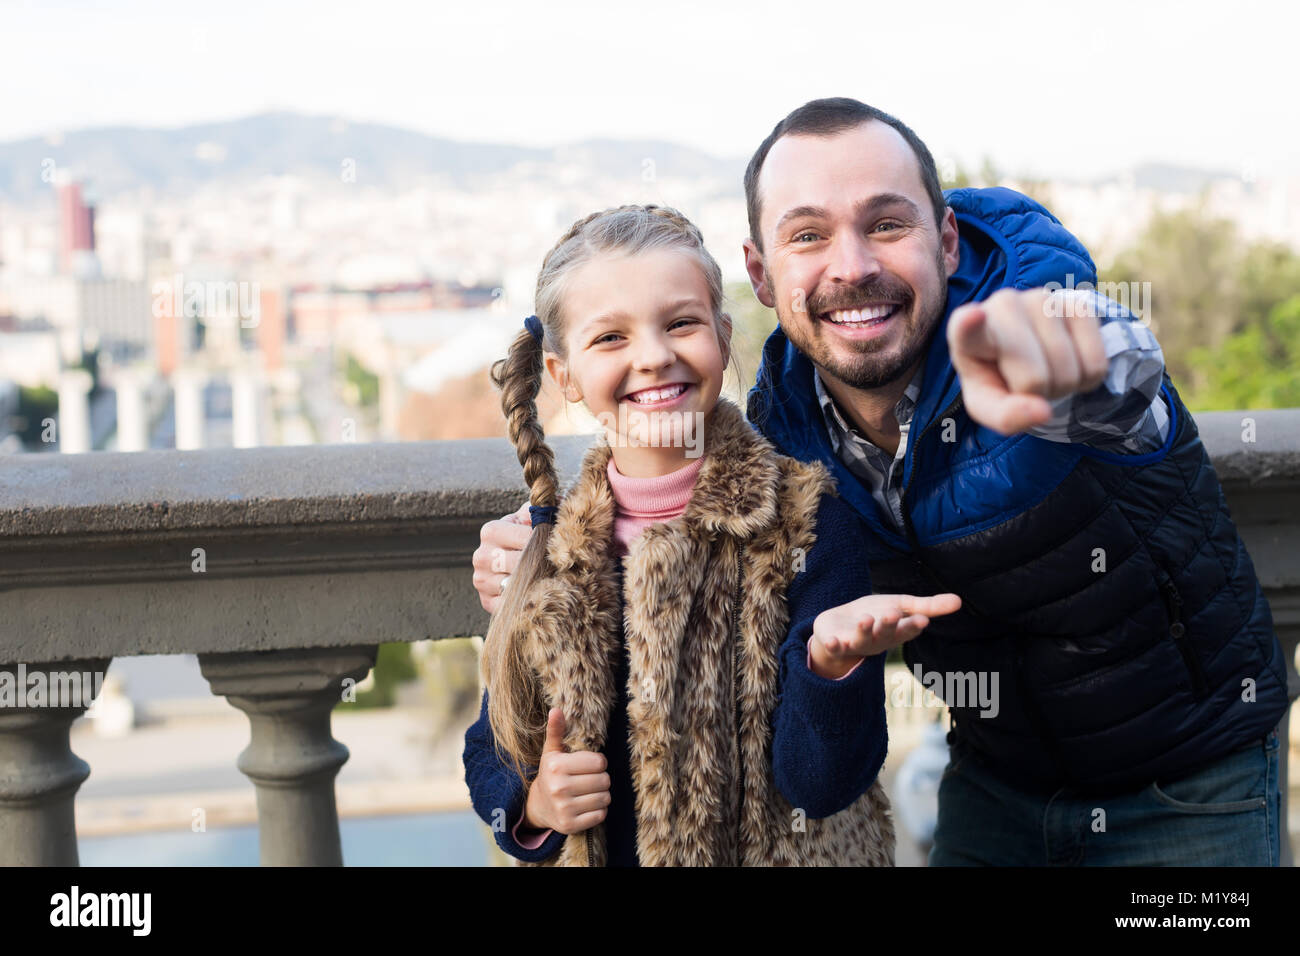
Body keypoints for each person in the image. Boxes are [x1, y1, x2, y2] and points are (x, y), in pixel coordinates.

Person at [474, 98, 1292, 866]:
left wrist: (1045, 355)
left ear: (945, 242)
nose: (853, 265)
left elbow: (1124, 375)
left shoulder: (1035, 325)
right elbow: (680, 490)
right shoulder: (787, 426)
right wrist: (544, 536)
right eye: (808, 236)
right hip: (993, 784)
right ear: (760, 276)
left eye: (886, 224)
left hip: (1191, 786)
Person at [461, 203, 961, 866]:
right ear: (564, 376)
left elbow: (821, 784)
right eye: (610, 338)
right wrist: (533, 808)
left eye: (681, 324)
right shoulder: (549, 550)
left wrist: (831, 669)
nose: (654, 356)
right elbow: (492, 741)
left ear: (723, 338)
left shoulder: (805, 524)